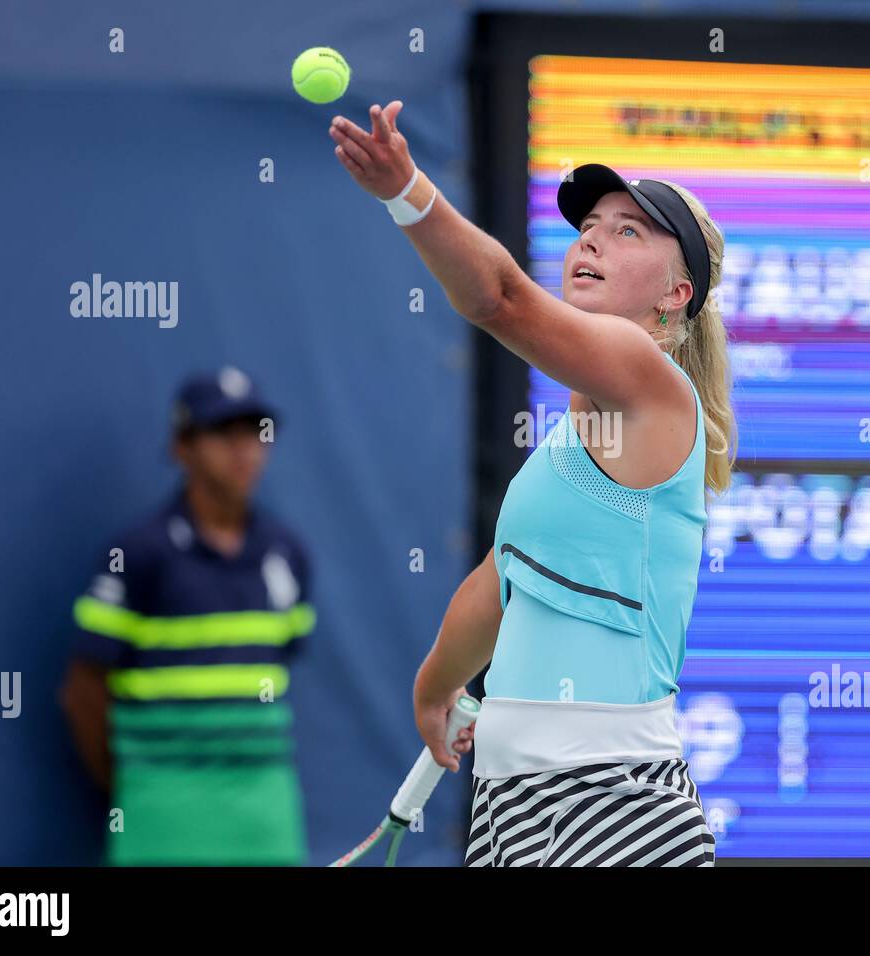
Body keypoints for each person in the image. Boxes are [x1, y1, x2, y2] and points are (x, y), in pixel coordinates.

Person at [330, 101, 735, 866]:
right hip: (510, 811)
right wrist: (433, 688)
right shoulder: (561, 450)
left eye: (628, 231)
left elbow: (500, 299)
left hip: (615, 805)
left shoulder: (654, 385)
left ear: (675, 295)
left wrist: (406, 189)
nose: (591, 237)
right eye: (590, 225)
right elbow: (498, 580)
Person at [59, 366, 315, 865]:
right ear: (183, 447)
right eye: (223, 433)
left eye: (255, 434)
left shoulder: (289, 554)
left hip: (266, 819)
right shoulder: (137, 553)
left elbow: (277, 666)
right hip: (160, 816)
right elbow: (82, 690)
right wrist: (142, 781)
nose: (244, 450)